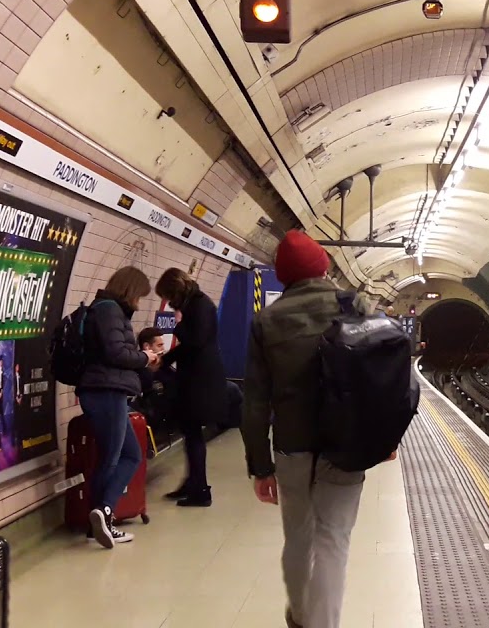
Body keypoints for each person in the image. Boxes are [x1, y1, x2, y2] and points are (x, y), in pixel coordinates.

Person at [243, 230, 370, 628]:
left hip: (292, 448)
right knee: (333, 539)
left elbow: (255, 401)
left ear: (284, 276)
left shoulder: (267, 320)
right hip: (345, 446)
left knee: (298, 537)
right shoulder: (355, 306)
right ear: (323, 268)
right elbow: (380, 379)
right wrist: (382, 439)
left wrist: (260, 467)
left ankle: (300, 617)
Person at [78, 266, 159, 549]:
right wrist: (144, 357)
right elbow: (116, 353)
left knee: (130, 455)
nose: (138, 302)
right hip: (106, 391)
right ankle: (102, 515)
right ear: (130, 290)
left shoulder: (107, 310)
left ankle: (101, 517)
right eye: (139, 296)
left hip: (108, 391)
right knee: (112, 458)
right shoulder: (109, 310)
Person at [155, 267, 225, 507]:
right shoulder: (195, 304)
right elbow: (189, 345)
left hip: (201, 381)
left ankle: (201, 491)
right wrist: (165, 360)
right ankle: (193, 482)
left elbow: (195, 342)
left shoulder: (200, 305)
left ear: (176, 290)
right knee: (190, 432)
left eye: (168, 296)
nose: (169, 302)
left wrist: (178, 324)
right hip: (196, 379)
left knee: (193, 434)